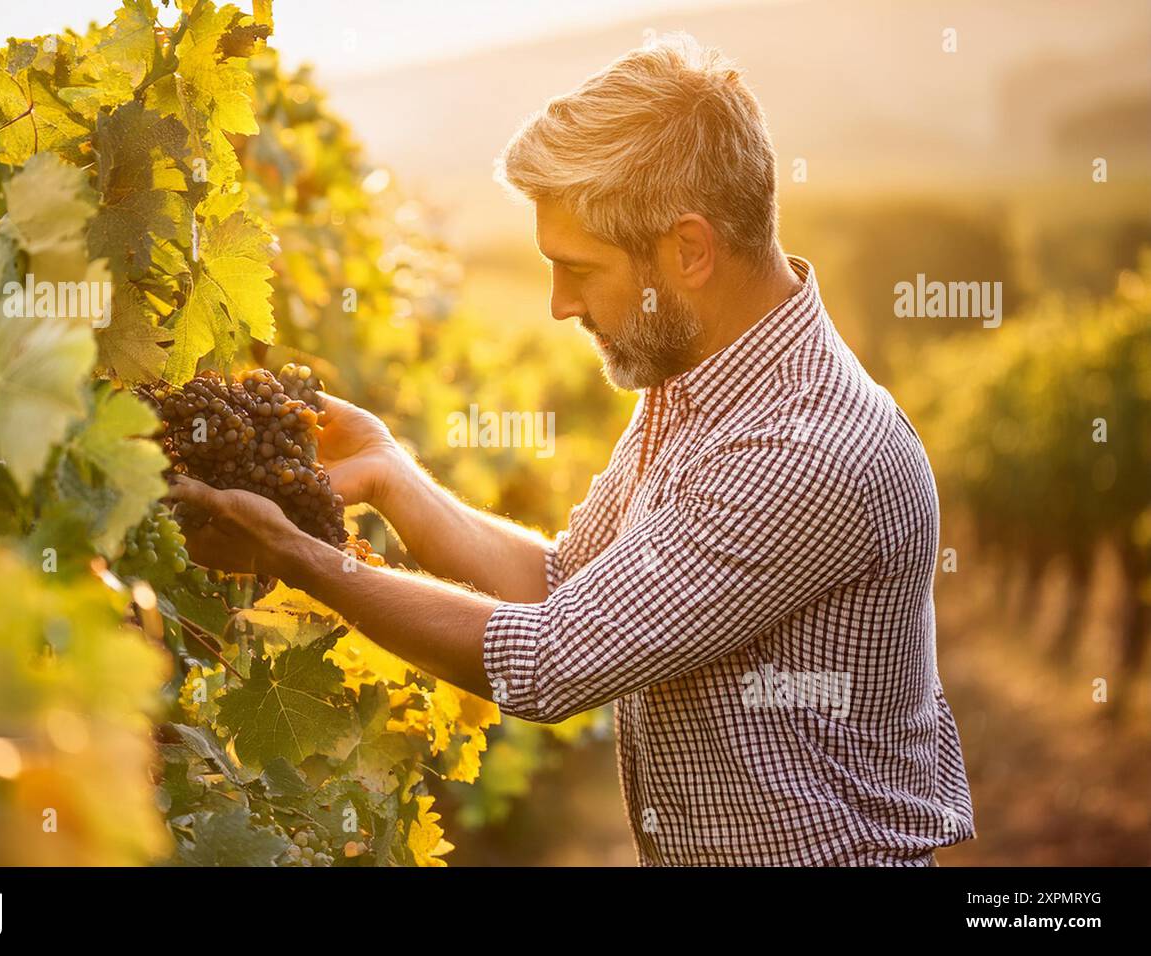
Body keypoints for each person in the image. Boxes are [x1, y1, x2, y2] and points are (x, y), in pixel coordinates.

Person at [168, 32, 975, 866]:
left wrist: (300, 557)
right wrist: (389, 471)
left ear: (689, 251)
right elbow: (563, 586)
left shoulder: (800, 447)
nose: (558, 303)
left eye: (579, 268)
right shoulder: (696, 379)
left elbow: (550, 662)